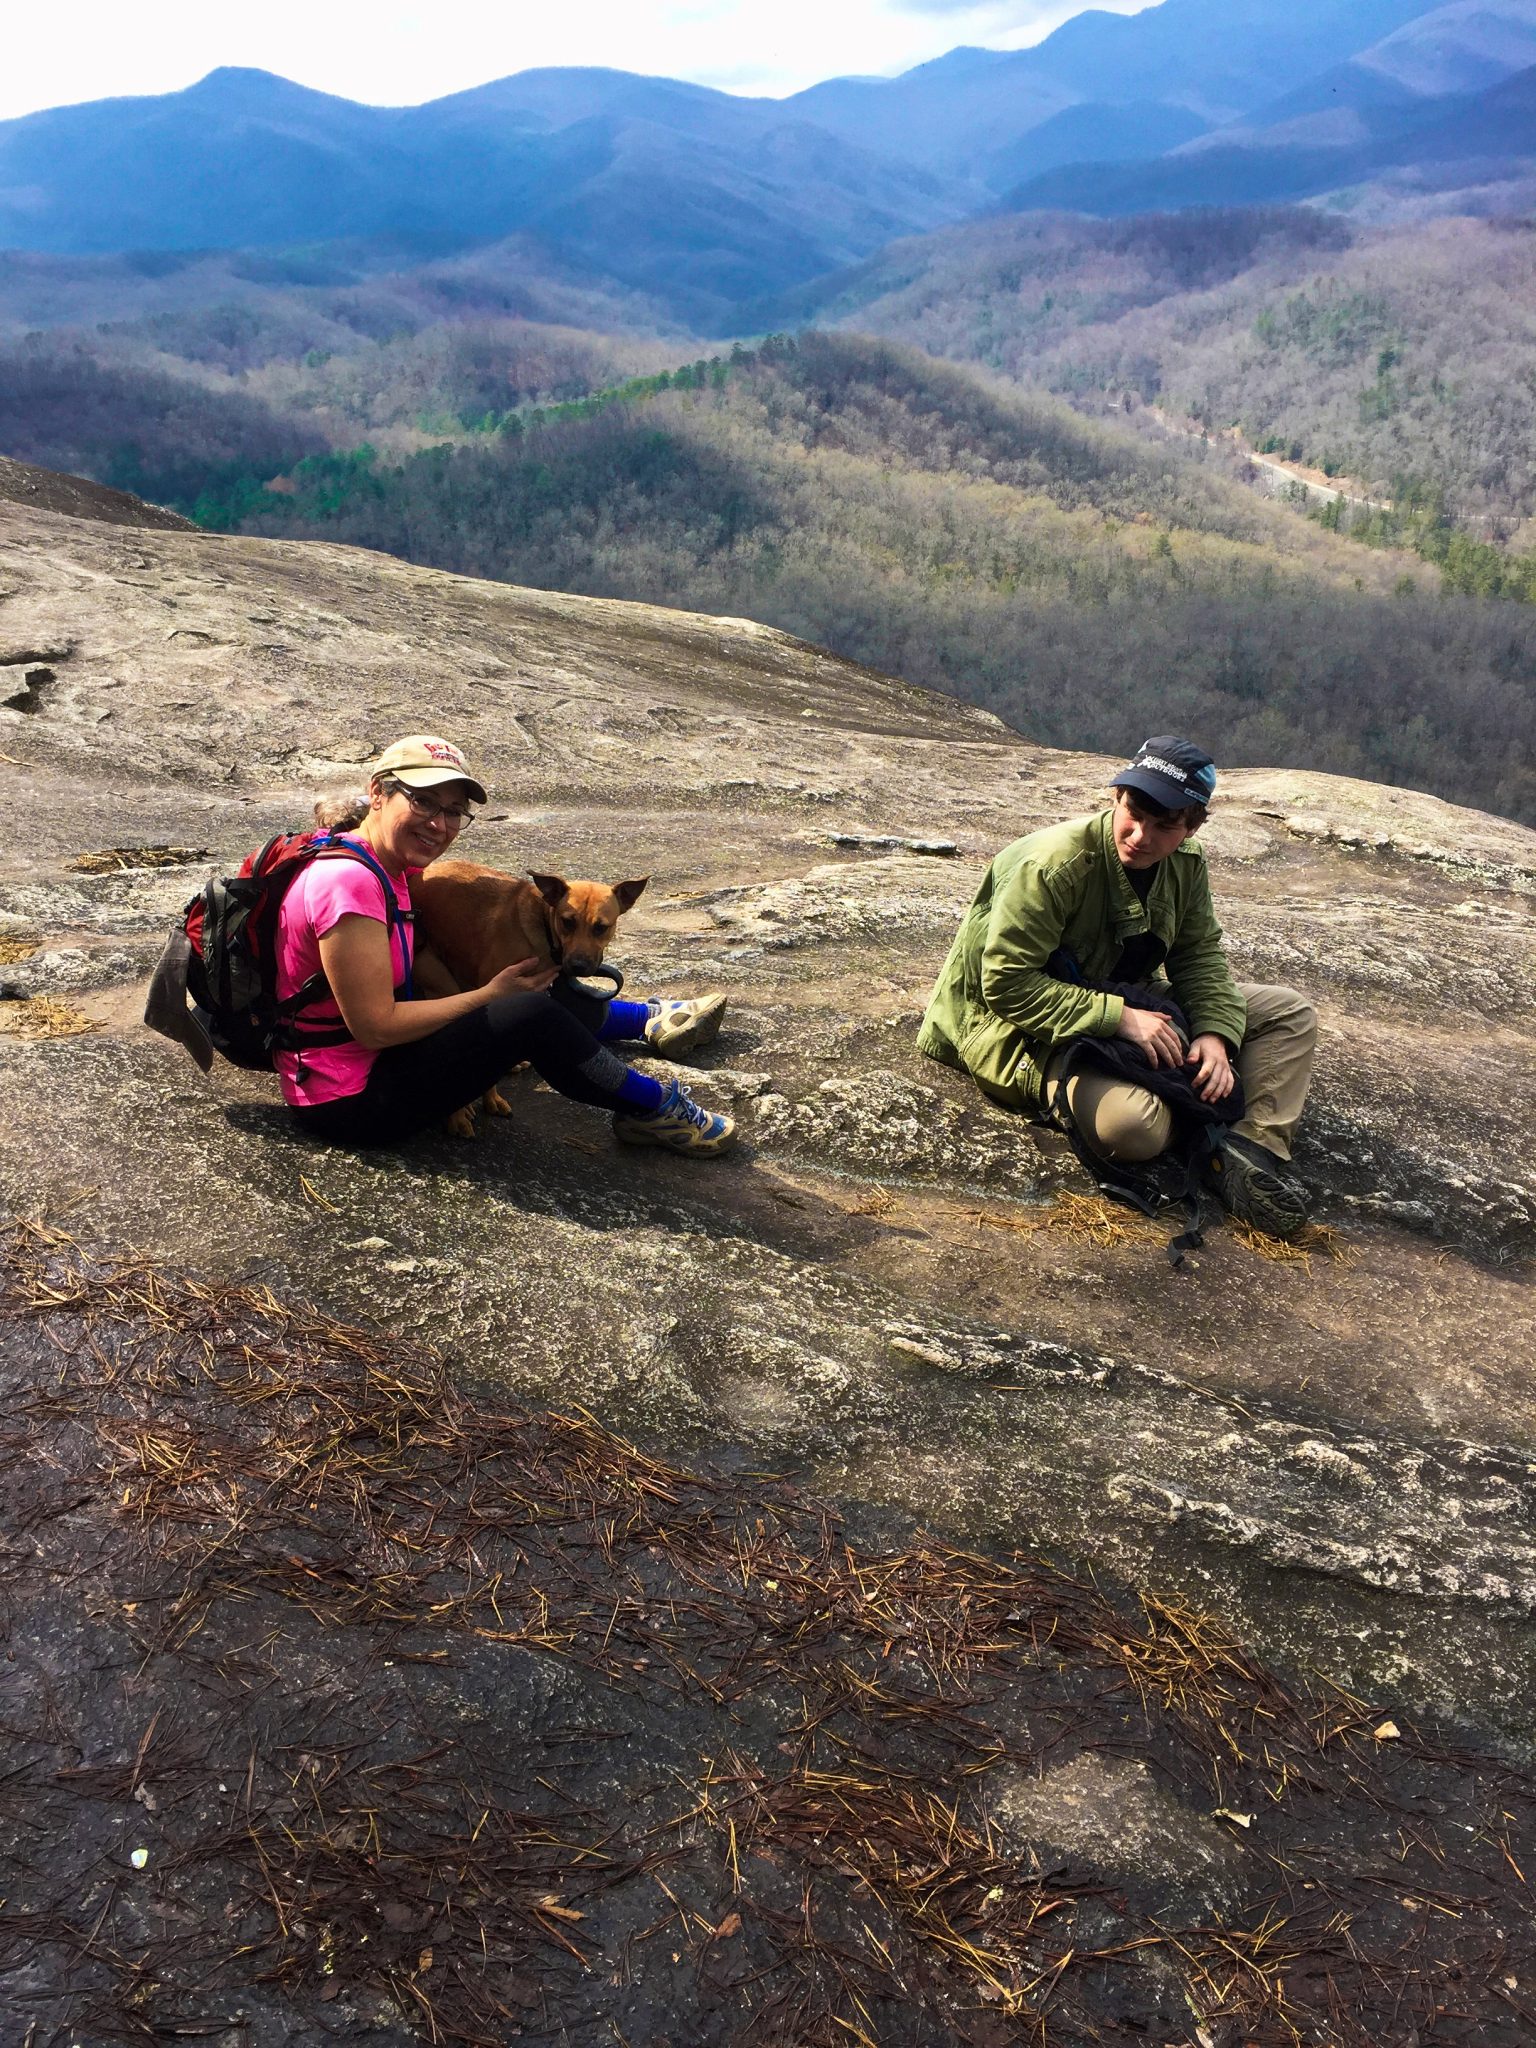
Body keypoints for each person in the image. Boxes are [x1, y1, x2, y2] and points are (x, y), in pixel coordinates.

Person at [917, 735, 1317, 1237]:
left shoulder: (1184, 864)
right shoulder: (1053, 866)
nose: (1139, 835)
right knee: (1134, 1129)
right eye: (1133, 811)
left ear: (1193, 827)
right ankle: (1197, 1121)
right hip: (1019, 1030)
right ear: (1116, 797)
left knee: (1288, 1014)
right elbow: (1008, 984)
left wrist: (1216, 1034)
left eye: (1164, 825)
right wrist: (1121, 1020)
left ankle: (1247, 1153)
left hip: (1130, 997)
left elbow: (1198, 955)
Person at [274, 734, 736, 1155]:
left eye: (453, 811)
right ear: (377, 793)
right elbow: (374, 1028)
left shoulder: (389, 869)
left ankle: (645, 1020)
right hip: (348, 1097)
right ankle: (653, 1106)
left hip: (376, 1066)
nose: (439, 823)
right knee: (527, 1012)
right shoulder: (347, 883)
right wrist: (489, 997)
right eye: (424, 802)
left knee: (536, 987)